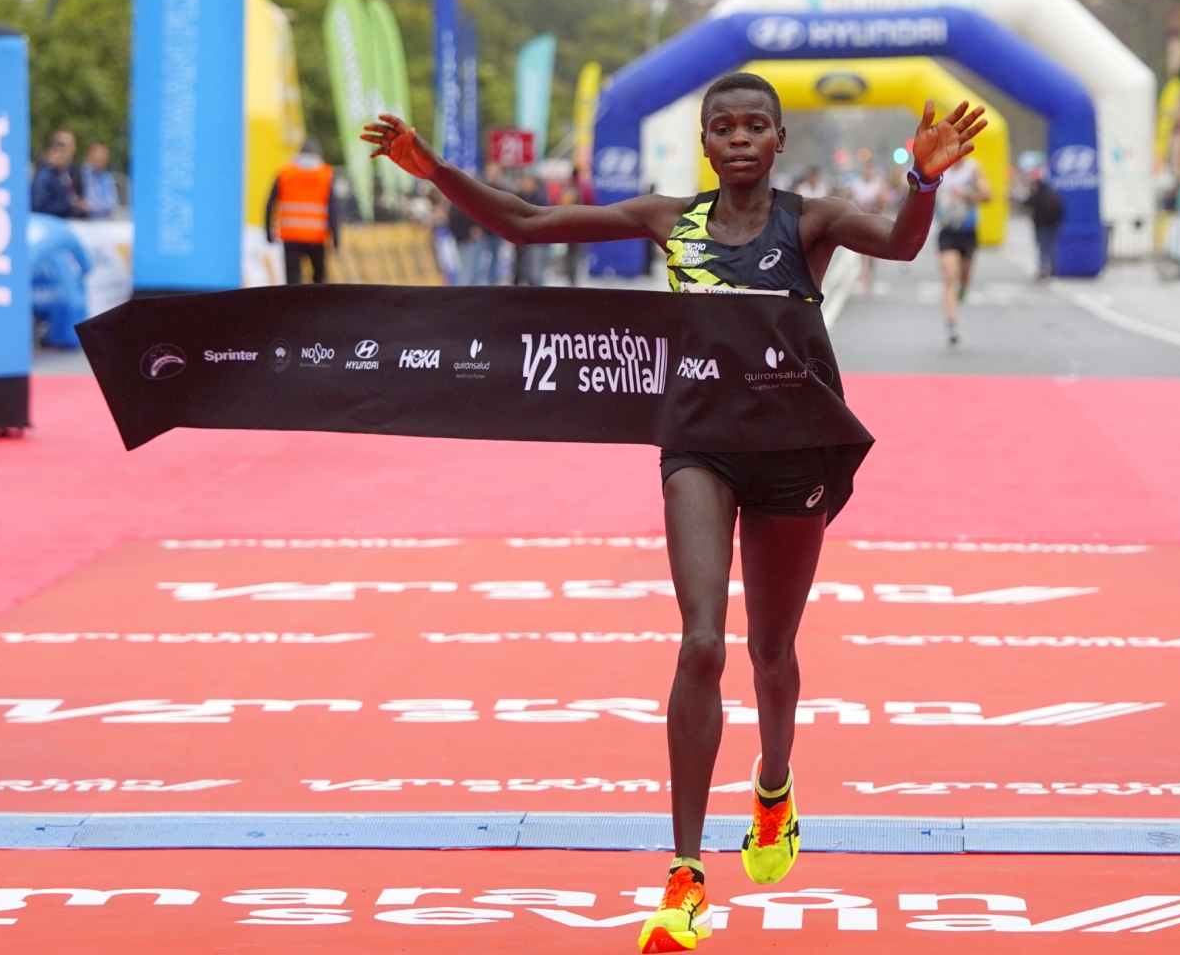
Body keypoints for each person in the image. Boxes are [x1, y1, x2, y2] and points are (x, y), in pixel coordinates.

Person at [364, 72, 984, 953]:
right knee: (701, 641)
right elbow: (529, 222)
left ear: (776, 142)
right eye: (721, 126)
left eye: (754, 126)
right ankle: (685, 876)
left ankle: (773, 788)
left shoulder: (813, 221)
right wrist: (436, 172)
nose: (738, 138)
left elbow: (903, 244)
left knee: (771, 650)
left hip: (795, 454)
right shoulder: (669, 219)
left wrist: (924, 182)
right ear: (704, 143)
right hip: (699, 444)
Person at [934, 153, 992, 344]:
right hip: (947, 229)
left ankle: (964, 289)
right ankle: (951, 323)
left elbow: (988, 196)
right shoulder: (940, 168)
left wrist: (966, 194)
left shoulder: (972, 169)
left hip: (967, 231)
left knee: (964, 278)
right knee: (950, 277)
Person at [267, 140, 335, 284]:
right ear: (318, 154)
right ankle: (318, 305)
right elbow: (333, 208)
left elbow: (270, 203)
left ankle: (293, 306)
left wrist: (268, 231)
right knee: (319, 279)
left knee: (292, 280)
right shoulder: (325, 174)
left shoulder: (285, 172)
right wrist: (336, 237)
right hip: (316, 237)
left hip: (291, 236)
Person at [1026, 167, 1066, 280]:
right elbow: (1061, 206)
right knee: (1051, 247)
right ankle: (1052, 269)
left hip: (1042, 225)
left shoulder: (1038, 195)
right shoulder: (1052, 193)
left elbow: (1028, 203)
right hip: (1052, 225)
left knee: (1043, 248)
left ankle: (1043, 269)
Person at [31, 130, 82, 218]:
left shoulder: (63, 174)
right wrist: (70, 204)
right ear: (50, 153)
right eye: (58, 152)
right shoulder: (45, 176)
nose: (61, 157)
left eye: (63, 153)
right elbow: (40, 206)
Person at [79, 141, 119, 220]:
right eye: (98, 157)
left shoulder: (106, 177)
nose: (101, 160)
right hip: (83, 221)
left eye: (103, 158)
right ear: (89, 156)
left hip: (102, 222)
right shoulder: (81, 174)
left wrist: (92, 206)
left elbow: (112, 204)